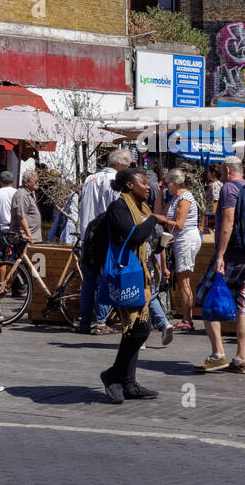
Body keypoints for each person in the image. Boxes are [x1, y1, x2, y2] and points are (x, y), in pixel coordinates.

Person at [98, 168, 161, 403]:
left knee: (135, 330)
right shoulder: (119, 208)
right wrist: (155, 219)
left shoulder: (142, 208)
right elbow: (133, 237)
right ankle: (114, 374)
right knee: (140, 328)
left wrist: (161, 245)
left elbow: (145, 239)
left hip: (140, 274)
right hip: (126, 275)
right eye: (142, 183)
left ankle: (128, 382)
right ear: (128, 186)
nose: (147, 187)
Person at [193, 156, 245, 374]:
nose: (220, 174)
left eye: (222, 170)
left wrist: (220, 255)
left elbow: (228, 223)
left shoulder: (229, 189)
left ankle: (218, 354)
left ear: (228, 171)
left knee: (206, 296)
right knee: (243, 304)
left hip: (229, 255)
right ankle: (241, 358)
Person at [77, 149, 134, 335]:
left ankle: (85, 321)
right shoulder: (115, 182)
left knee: (88, 282)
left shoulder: (90, 179)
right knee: (103, 280)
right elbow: (116, 212)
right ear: (122, 165)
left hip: (88, 234)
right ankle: (100, 322)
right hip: (104, 235)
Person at [163, 169, 201, 332]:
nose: (166, 187)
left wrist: (162, 220)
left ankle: (187, 319)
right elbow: (161, 212)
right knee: (182, 280)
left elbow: (179, 224)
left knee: (184, 281)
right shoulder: (176, 198)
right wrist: (159, 194)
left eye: (167, 184)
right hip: (182, 239)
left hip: (186, 239)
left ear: (174, 183)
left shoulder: (184, 198)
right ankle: (186, 317)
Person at [10, 171, 43, 248]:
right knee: (22, 259)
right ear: (26, 183)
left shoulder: (30, 193)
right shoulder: (22, 195)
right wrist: (29, 236)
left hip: (33, 238)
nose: (38, 183)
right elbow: (21, 217)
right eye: (35, 181)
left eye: (38, 181)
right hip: (25, 238)